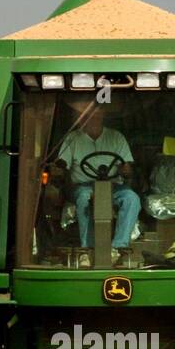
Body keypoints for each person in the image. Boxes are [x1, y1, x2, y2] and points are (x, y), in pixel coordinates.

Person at [50, 98, 141, 258]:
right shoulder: (73, 138)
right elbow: (61, 165)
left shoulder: (116, 137)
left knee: (132, 198)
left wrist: (126, 169)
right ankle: (88, 248)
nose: (93, 118)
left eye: (97, 114)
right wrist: (59, 169)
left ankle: (118, 247)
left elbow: (127, 168)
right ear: (82, 117)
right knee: (85, 197)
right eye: (89, 115)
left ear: (103, 116)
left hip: (113, 187)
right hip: (83, 186)